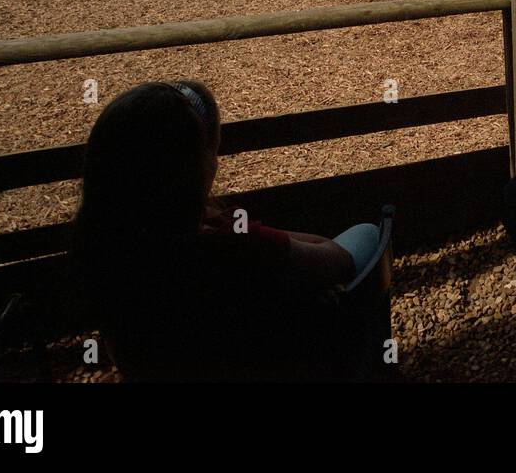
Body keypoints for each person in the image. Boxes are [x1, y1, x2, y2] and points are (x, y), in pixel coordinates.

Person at [73, 80, 381, 380]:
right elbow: (337, 260)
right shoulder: (223, 245)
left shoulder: (98, 248)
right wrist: (248, 231)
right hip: (273, 360)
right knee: (367, 234)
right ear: (198, 170)